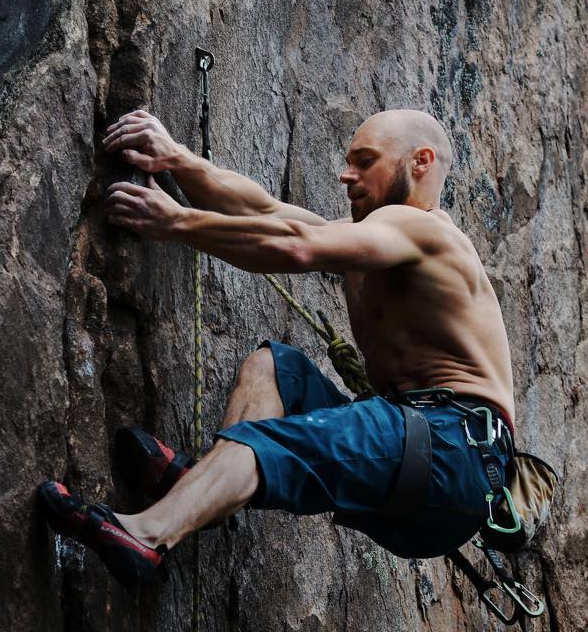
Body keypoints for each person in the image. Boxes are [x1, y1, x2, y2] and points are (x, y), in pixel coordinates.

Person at [37, 108, 518, 586]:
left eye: (365, 160)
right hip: (433, 488)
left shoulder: (425, 229)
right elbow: (263, 212)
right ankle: (205, 490)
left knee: (268, 439)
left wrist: (176, 222)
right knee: (277, 369)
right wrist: (179, 160)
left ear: (420, 162)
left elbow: (297, 244)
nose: (345, 174)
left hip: (454, 447)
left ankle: (146, 533)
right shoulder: (377, 241)